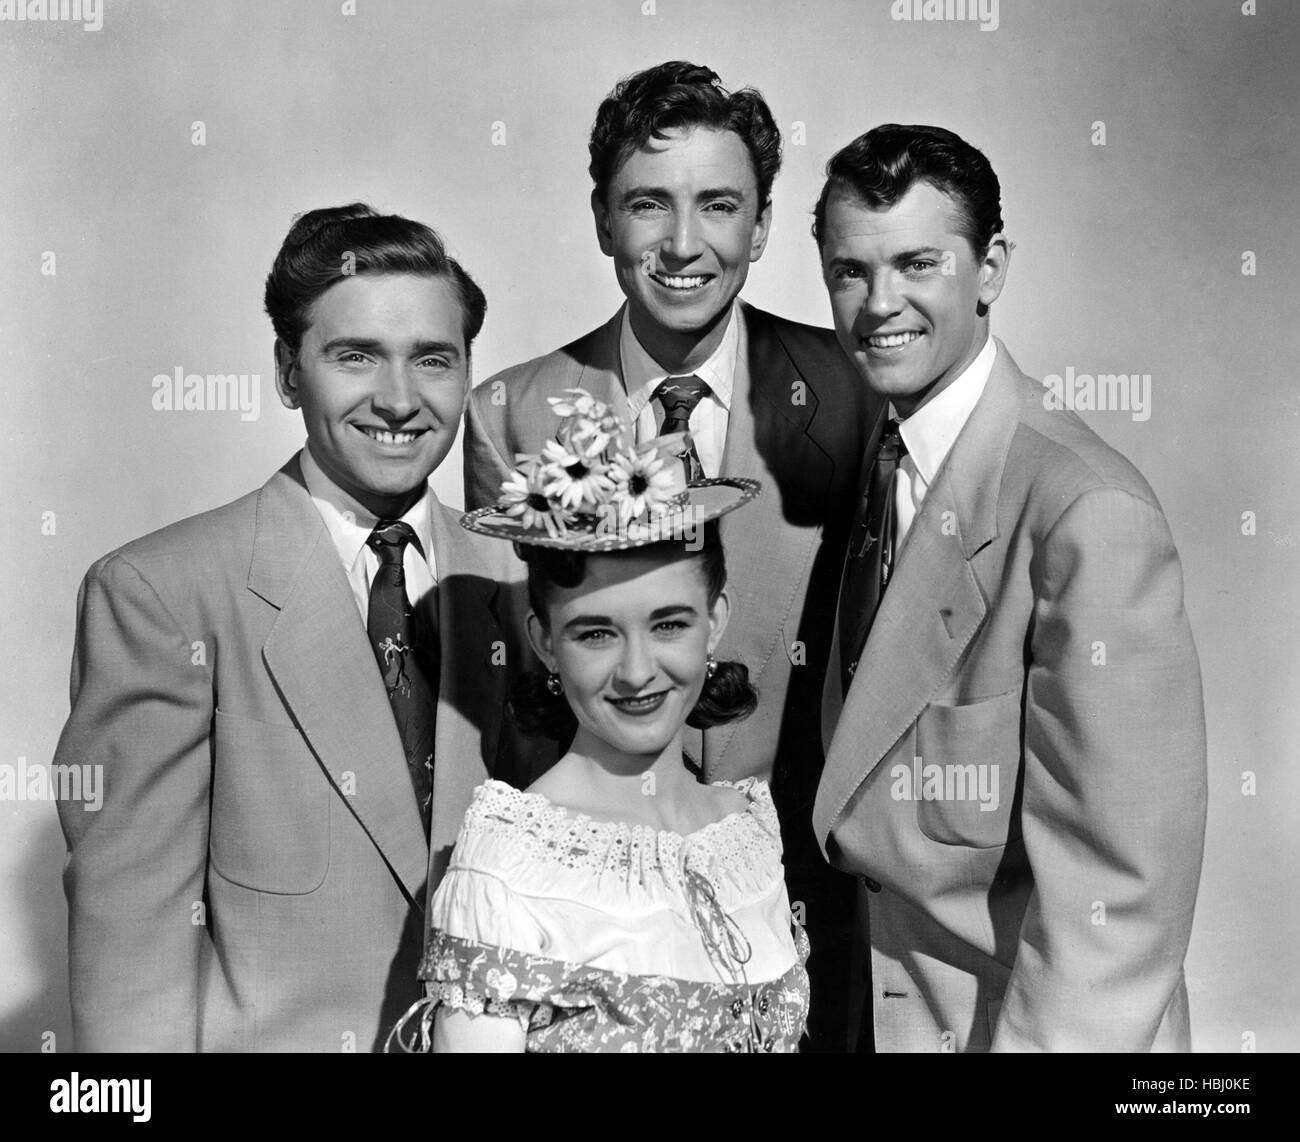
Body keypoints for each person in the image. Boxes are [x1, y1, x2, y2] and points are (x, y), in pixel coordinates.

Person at [53, 204, 550, 1051]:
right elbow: (131, 955)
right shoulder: (162, 594)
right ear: (288, 372)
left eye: (432, 359)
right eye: (355, 357)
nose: (398, 400)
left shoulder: (525, 580)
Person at [462, 58, 872, 1052]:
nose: (683, 245)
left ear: (764, 225)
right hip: (595, 932)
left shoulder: (858, 393)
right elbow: (528, 688)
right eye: (649, 204)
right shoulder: (509, 412)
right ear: (604, 219)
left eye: (718, 205)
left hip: (804, 918)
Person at [812, 124, 1208, 1051]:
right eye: (849, 271)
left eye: (918, 264)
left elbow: (1118, 907)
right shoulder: (873, 451)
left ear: (990, 267)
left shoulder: (1088, 513)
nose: (880, 305)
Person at [391, 391, 809, 1052]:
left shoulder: (746, 832)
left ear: (716, 620)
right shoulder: (507, 870)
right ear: (545, 640)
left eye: (669, 624)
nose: (637, 672)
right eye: (596, 635)